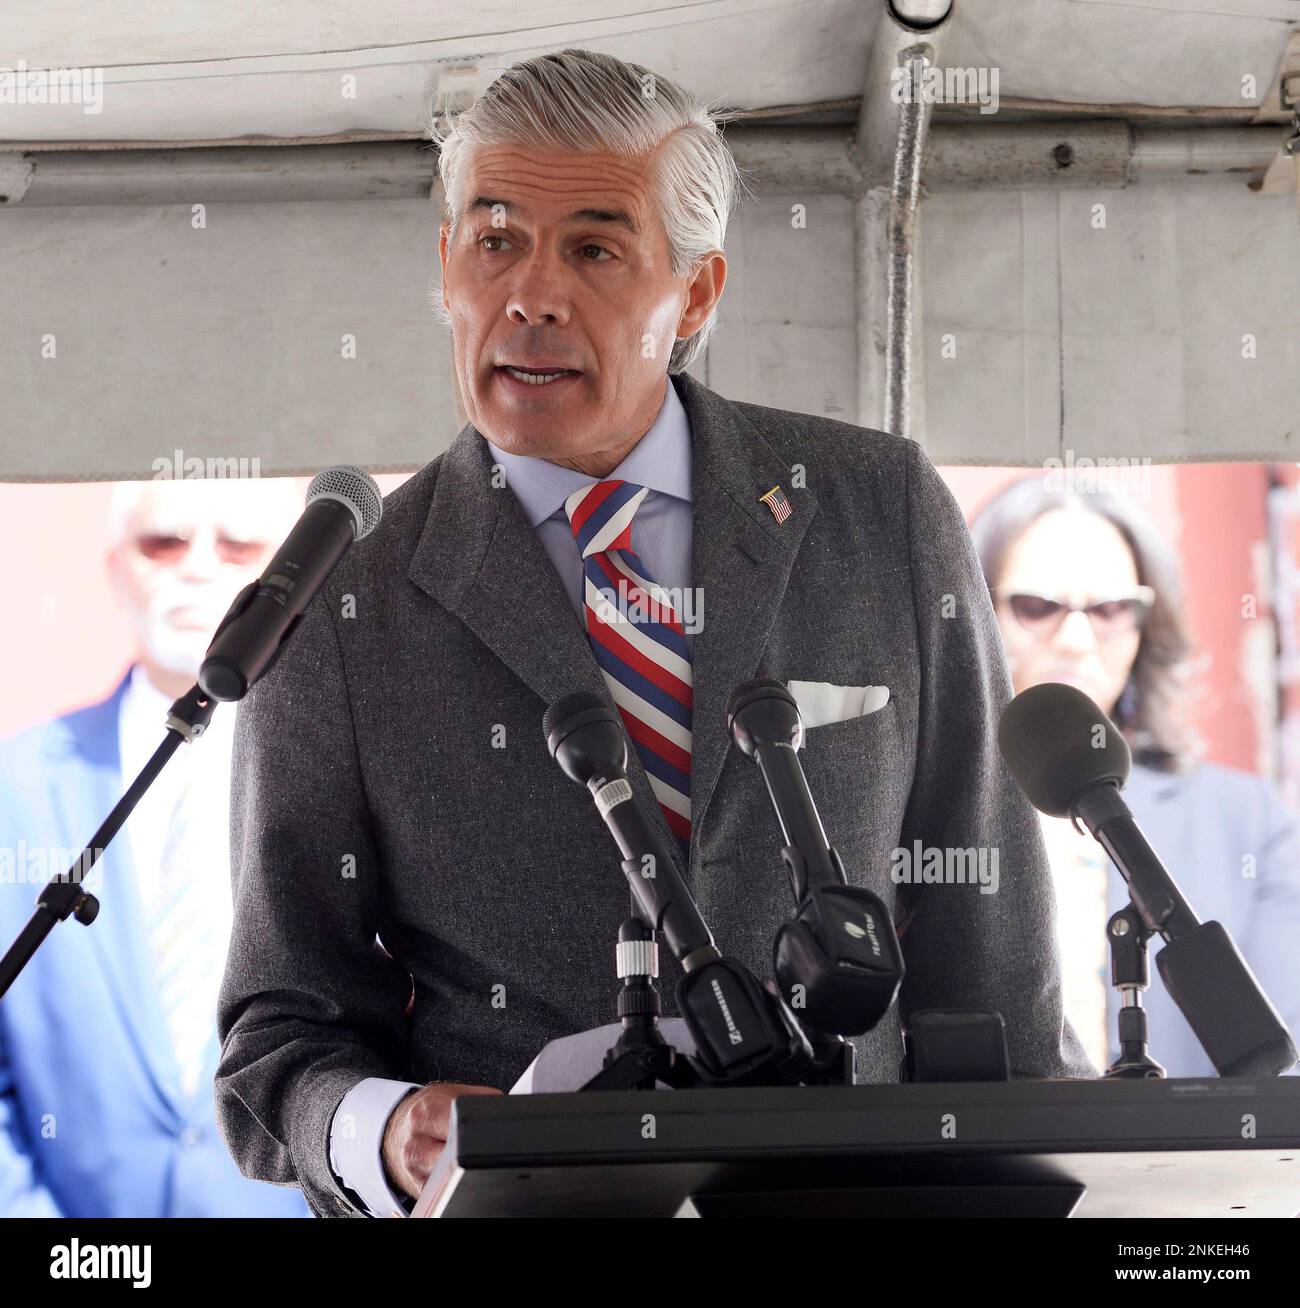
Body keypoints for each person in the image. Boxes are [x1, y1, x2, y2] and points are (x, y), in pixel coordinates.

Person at [215, 47, 1095, 1221]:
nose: (531, 294)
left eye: (592, 247)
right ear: (445, 269)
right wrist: (383, 1131)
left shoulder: (876, 512)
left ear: (696, 293)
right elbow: (280, 1041)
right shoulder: (341, 603)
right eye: (494, 241)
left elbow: (995, 966)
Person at [0, 476, 311, 1217]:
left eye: (238, 546)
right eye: (163, 542)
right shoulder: (14, 786)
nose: (198, 567)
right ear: (114, 567)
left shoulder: (351, 778)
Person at [970, 475, 1300, 1078]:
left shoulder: (1248, 822)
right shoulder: (928, 813)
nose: (1075, 640)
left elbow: (1284, 1069)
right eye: (1036, 606)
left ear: (1148, 625)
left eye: (1110, 609)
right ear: (975, 617)